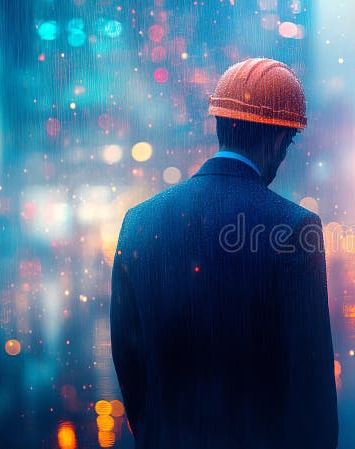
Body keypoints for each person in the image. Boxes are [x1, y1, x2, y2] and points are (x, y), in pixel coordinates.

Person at [110, 58, 338, 449]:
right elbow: (310, 387)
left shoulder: (138, 222)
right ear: (279, 139)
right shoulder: (295, 228)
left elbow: (128, 361)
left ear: (218, 124)